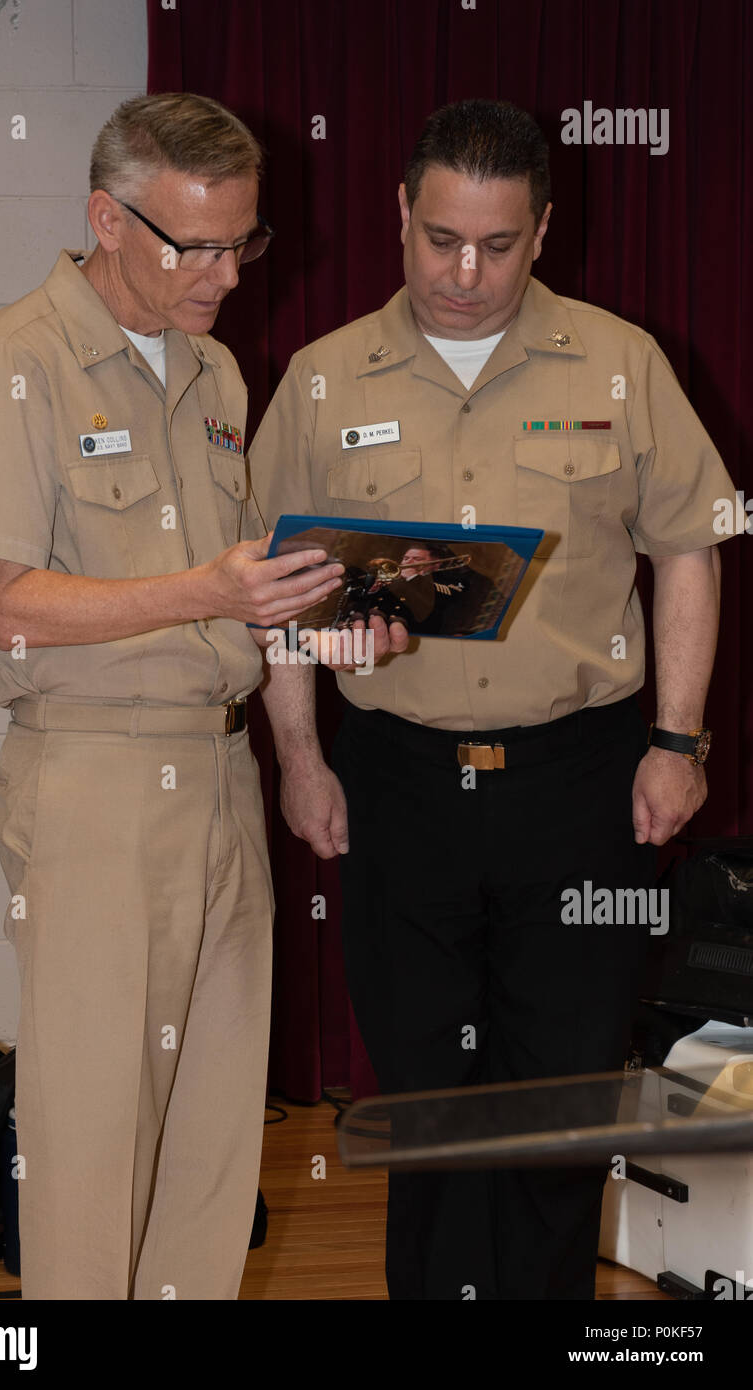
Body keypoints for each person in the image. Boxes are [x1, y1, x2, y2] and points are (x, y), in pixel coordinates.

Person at [246, 99, 738, 1300]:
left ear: (545, 230)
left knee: (560, 1100)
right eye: (440, 240)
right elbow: (273, 591)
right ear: (399, 215)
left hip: (580, 779)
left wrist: (677, 740)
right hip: (401, 784)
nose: (466, 273)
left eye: (499, 246)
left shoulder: (624, 363)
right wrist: (301, 760)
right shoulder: (319, 381)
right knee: (427, 1101)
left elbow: (690, 546)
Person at [0, 92, 346, 1301]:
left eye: (243, 242)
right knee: (94, 1143)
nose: (225, 275)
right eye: (197, 245)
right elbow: (6, 599)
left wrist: (304, 742)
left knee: (214, 1137)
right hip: (97, 781)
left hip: (225, 774)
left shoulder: (217, 369)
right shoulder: (17, 361)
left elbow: (254, 589)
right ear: (105, 220)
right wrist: (198, 590)